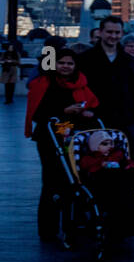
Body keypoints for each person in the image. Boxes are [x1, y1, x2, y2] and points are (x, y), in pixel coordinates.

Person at [26, 49, 100, 240]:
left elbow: (93, 106)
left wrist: (87, 113)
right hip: (50, 138)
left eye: (70, 63)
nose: (66, 67)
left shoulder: (80, 83)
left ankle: (73, 222)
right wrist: (64, 110)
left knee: (74, 179)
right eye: (62, 63)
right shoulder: (44, 84)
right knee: (51, 181)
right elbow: (37, 113)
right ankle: (48, 229)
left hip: (73, 137)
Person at [77, 15, 134, 158]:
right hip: (97, 120)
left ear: (121, 34)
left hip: (127, 120)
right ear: (101, 32)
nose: (113, 36)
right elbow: (79, 89)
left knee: (130, 162)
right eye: (109, 32)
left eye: (117, 32)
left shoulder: (129, 61)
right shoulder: (86, 59)